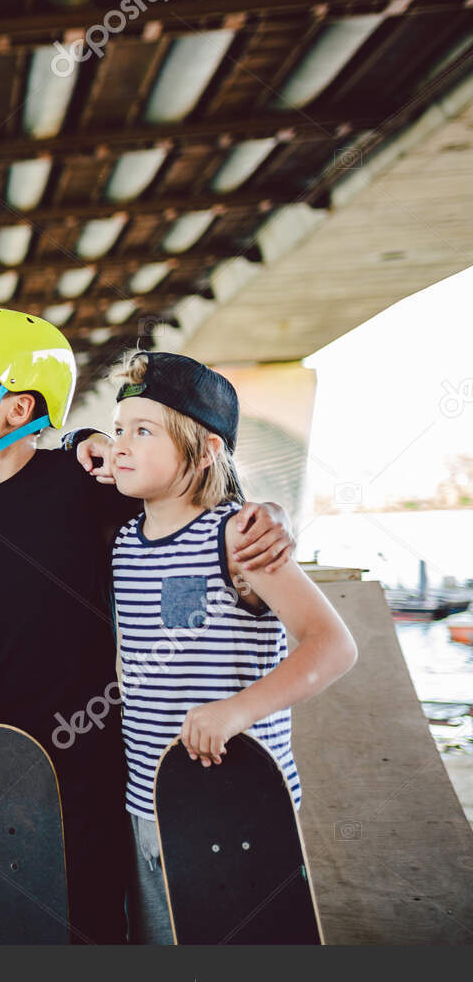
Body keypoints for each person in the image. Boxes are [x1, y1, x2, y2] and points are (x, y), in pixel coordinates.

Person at [0, 308, 294, 944]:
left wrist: (269, 514)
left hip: (86, 751)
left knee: (91, 922)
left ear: (16, 406)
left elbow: (187, 496)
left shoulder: (85, 485)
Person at [105, 350, 355, 944]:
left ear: (208, 449)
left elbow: (332, 645)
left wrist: (237, 710)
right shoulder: (123, 542)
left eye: (143, 431)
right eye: (118, 430)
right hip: (148, 800)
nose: (121, 444)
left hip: (239, 802)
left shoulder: (240, 536)